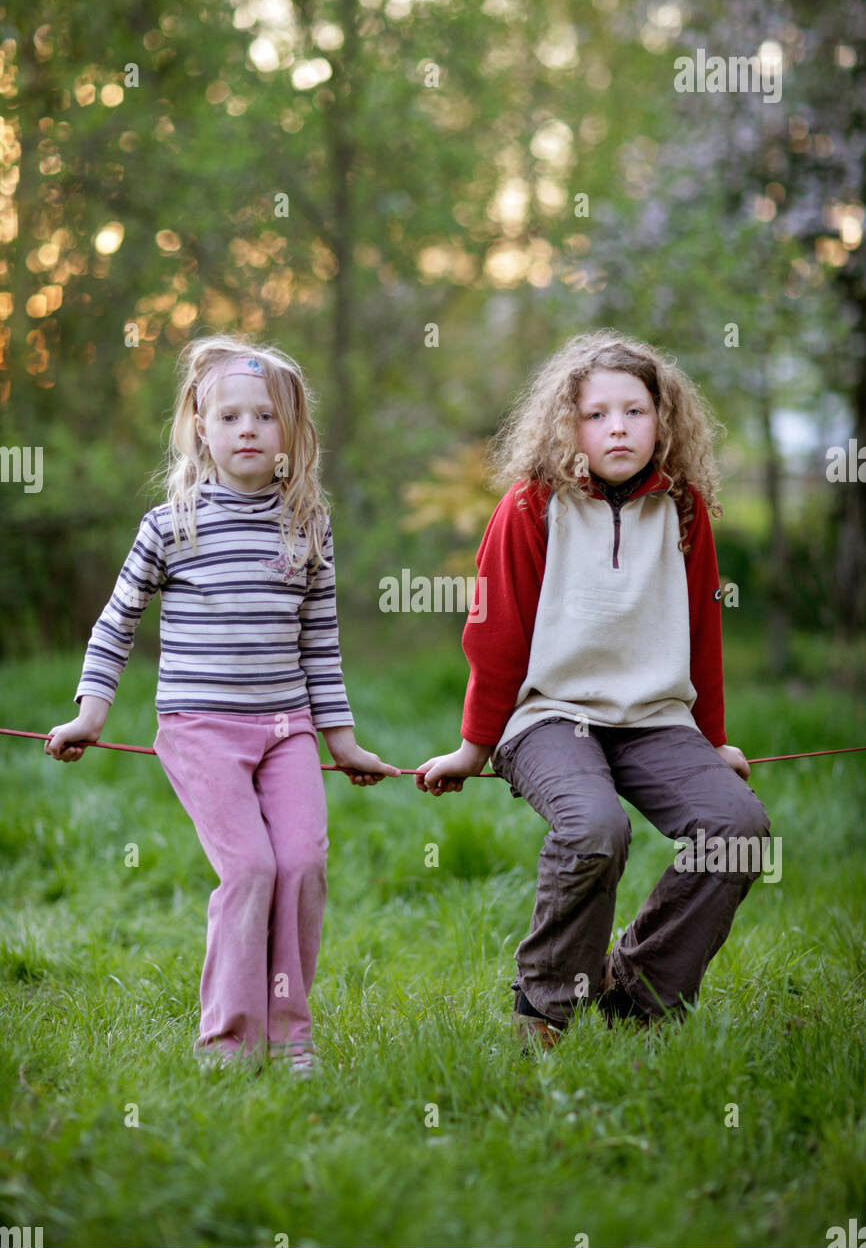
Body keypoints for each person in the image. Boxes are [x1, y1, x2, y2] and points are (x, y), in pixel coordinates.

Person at [45, 335, 400, 1075]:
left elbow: (321, 646)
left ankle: (289, 1031)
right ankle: (229, 1041)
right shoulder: (171, 525)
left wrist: (342, 742)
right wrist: (90, 713)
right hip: (200, 730)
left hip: (287, 731)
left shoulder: (308, 527)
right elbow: (117, 621)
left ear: (292, 432)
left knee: (300, 864)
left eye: (265, 416)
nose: (247, 430)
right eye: (230, 415)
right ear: (199, 427)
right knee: (250, 869)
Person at [415, 329, 771, 1051]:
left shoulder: (686, 510)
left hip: (656, 721)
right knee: (593, 830)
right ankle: (545, 1009)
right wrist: (472, 748)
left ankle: (637, 993)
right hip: (549, 717)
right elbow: (497, 638)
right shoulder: (530, 507)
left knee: (738, 829)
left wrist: (713, 744)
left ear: (663, 422)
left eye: (636, 412)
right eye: (598, 413)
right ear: (567, 423)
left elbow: (703, 637)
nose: (618, 427)